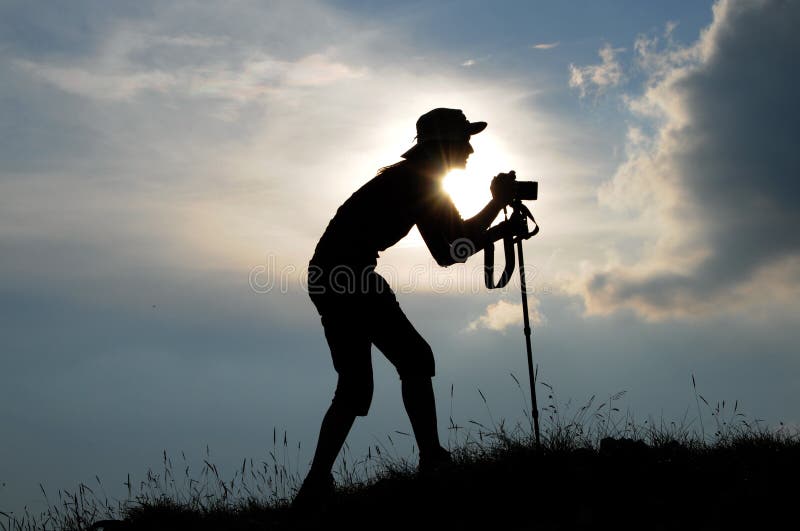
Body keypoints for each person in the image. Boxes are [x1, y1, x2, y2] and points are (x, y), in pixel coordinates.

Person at [294, 108, 520, 509]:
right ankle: (431, 459)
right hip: (348, 276)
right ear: (445, 145)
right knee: (413, 360)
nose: (470, 149)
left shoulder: (417, 180)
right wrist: (497, 208)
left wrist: (497, 220)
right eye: (464, 140)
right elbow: (451, 253)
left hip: (331, 276)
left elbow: (453, 244)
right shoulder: (422, 183)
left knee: (357, 386)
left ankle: (316, 482)